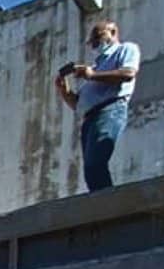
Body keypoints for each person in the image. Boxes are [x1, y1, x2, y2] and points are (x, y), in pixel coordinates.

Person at [57, 18, 140, 192]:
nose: (95, 43)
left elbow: (128, 73)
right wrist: (64, 90)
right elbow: (79, 104)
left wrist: (92, 75)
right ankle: (102, 202)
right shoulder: (96, 66)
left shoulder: (125, 49)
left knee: (95, 163)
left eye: (98, 37)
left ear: (113, 33)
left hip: (110, 109)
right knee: (90, 170)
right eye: (92, 41)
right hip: (90, 118)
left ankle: (108, 206)